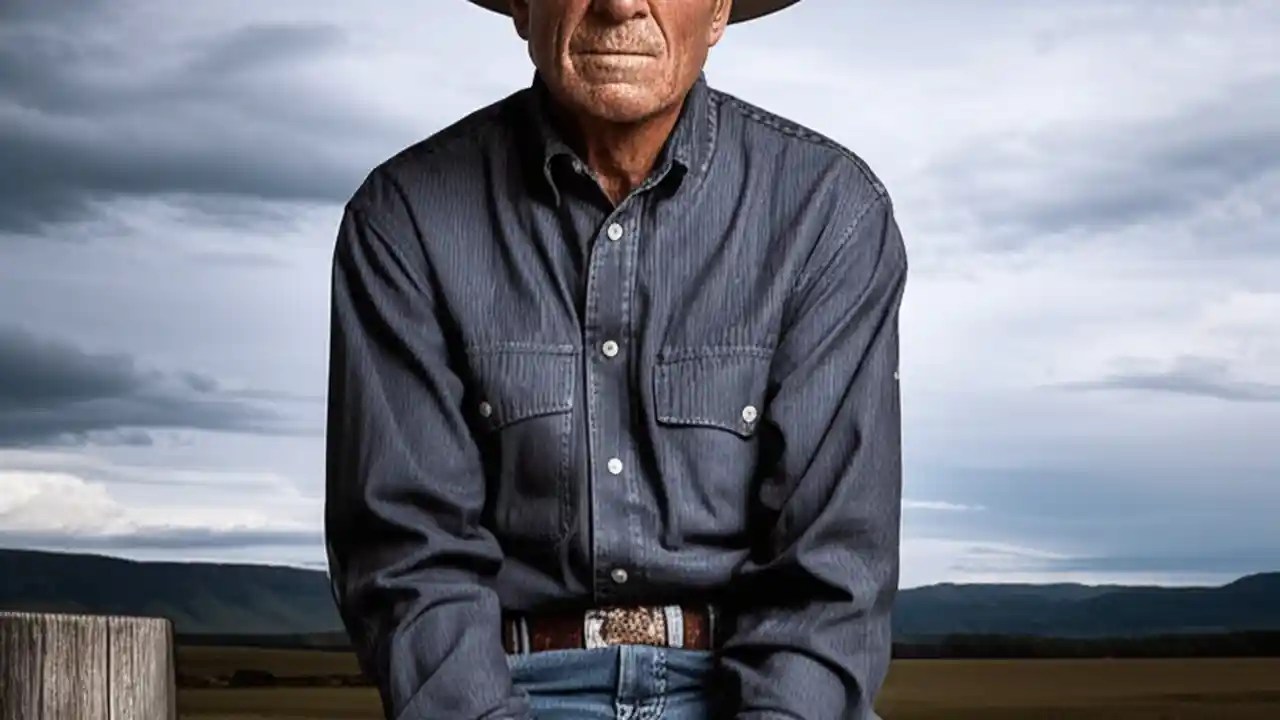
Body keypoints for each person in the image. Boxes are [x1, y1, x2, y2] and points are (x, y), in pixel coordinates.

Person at [324, 0, 909, 717]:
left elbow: (832, 574)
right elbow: (407, 559)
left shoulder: (828, 214)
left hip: (746, 694)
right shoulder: (404, 220)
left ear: (720, 9)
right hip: (509, 691)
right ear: (521, 7)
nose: (620, 3)